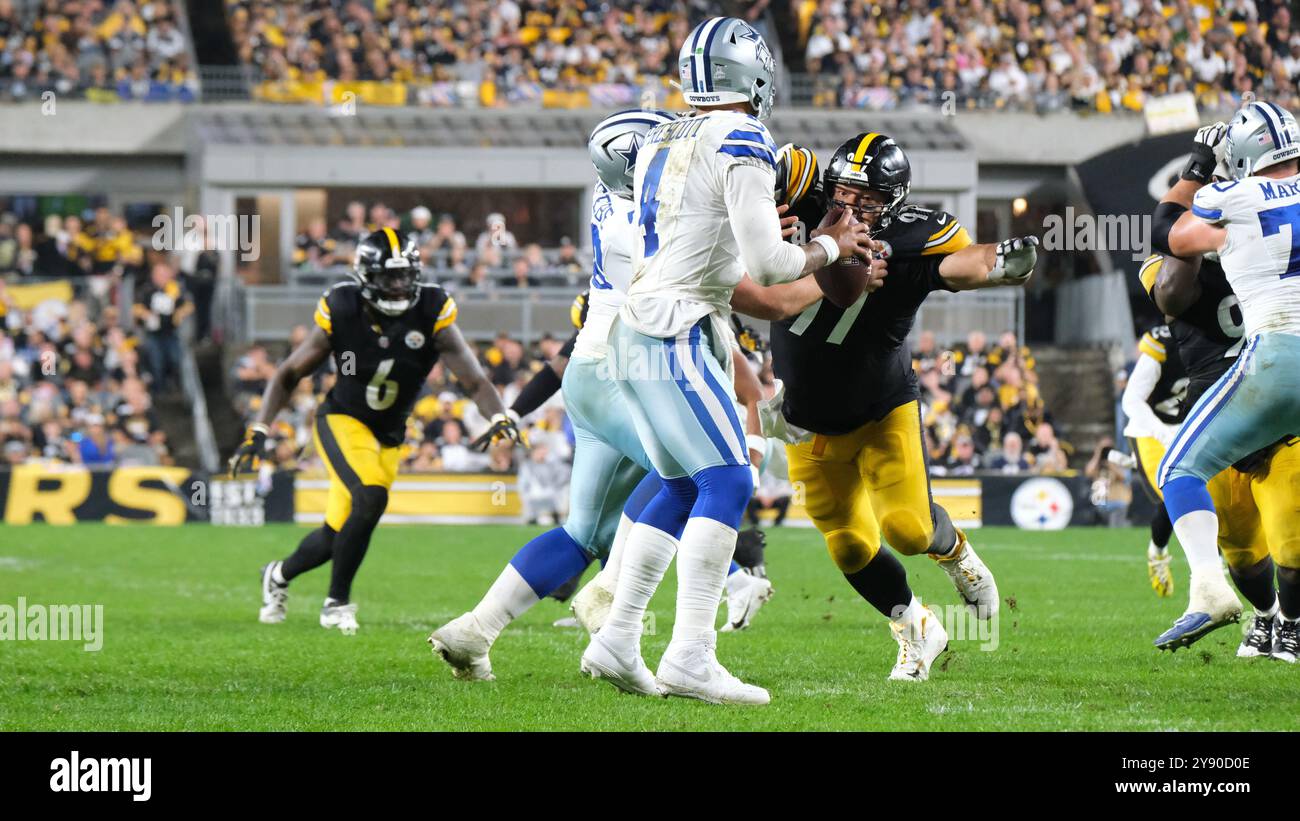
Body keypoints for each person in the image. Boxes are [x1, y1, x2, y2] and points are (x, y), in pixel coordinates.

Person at [581, 18, 876, 706]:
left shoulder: (662, 133)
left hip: (636, 325)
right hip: (675, 326)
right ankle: (691, 655)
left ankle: (619, 638)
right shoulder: (742, 136)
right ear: (752, 74)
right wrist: (832, 245)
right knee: (728, 480)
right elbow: (772, 266)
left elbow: (712, 236)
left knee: (680, 484)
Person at [767, 129, 1038, 681]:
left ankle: (956, 552)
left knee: (909, 531)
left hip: (879, 410)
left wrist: (997, 261)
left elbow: (961, 263)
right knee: (847, 546)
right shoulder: (802, 203)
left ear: (893, 201)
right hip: (805, 421)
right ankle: (916, 628)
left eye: (866, 200)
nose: (851, 208)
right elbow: (768, 173)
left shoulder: (913, 236)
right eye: (843, 193)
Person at [228, 229, 522, 635]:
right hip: (342, 419)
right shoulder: (343, 307)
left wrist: (498, 415)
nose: (400, 285)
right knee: (369, 497)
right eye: (389, 276)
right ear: (366, 275)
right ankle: (336, 602)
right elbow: (289, 372)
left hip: (389, 433)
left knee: (339, 531)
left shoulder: (432, 310)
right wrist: (260, 428)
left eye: (405, 275)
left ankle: (277, 575)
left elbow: (473, 378)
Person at [1147, 107, 1300, 658]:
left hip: (1279, 359)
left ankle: (1210, 591)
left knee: (1177, 468)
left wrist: (1200, 165)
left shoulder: (1235, 197)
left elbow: (1167, 232)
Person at [133, 262, 191, 394]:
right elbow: (136, 307)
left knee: (176, 359)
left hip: (171, 332)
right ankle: (159, 390)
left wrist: (179, 313)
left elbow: (187, 304)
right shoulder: (146, 289)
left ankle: (175, 387)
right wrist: (147, 315)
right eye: (159, 274)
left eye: (165, 274)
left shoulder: (175, 289)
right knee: (156, 361)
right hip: (153, 333)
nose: (162, 278)